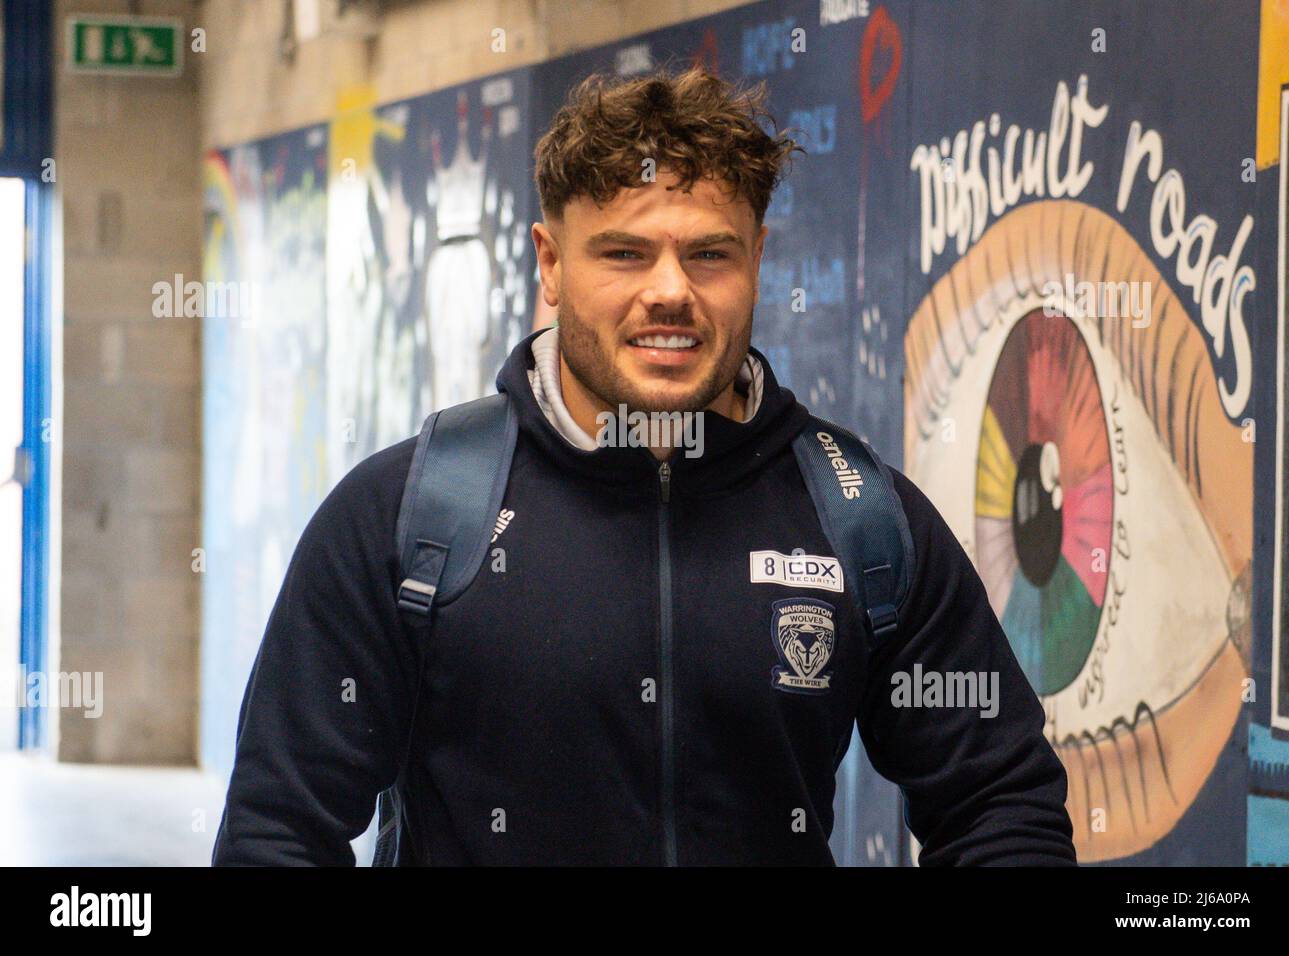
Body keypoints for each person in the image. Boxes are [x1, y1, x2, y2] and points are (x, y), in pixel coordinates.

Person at [212, 65, 1076, 866]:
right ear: (550, 264)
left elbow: (998, 801)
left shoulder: (859, 517)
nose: (670, 291)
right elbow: (280, 829)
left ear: (757, 262)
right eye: (624, 253)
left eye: (709, 254)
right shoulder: (411, 515)